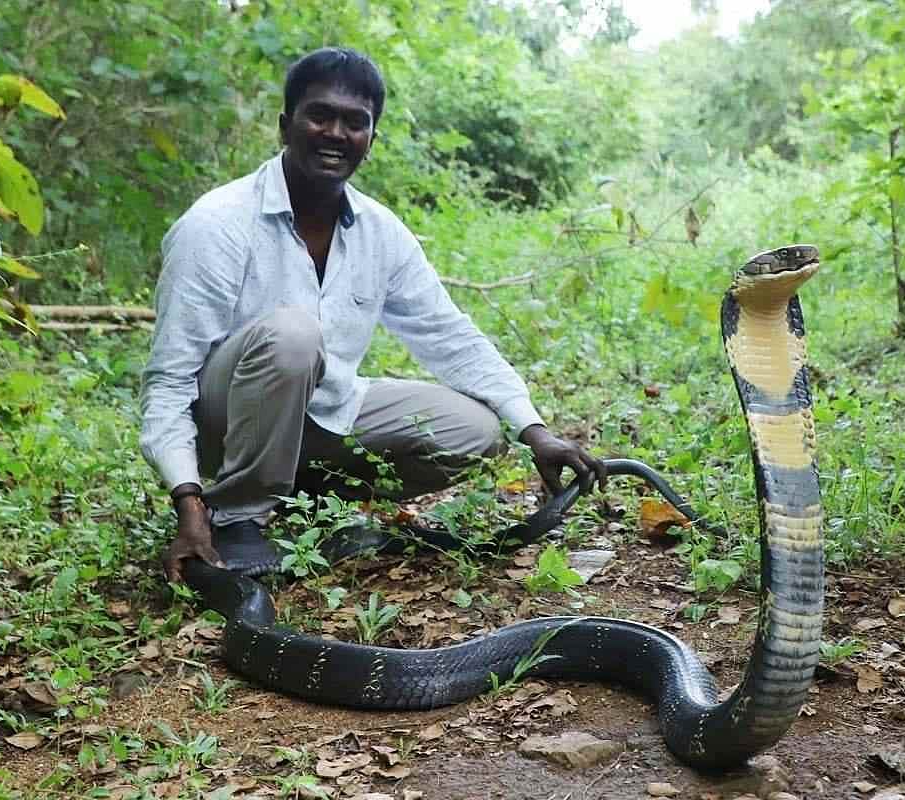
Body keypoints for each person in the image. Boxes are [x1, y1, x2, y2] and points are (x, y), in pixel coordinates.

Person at [141, 47, 606, 584]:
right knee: (294, 334)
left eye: (355, 122)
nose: (336, 133)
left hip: (322, 416)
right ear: (285, 125)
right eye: (320, 115)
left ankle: (303, 502)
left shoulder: (380, 232)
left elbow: (448, 334)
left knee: (476, 431)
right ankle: (239, 516)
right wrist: (189, 503)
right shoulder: (218, 224)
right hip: (225, 426)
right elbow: (170, 379)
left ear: (371, 139)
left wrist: (534, 428)